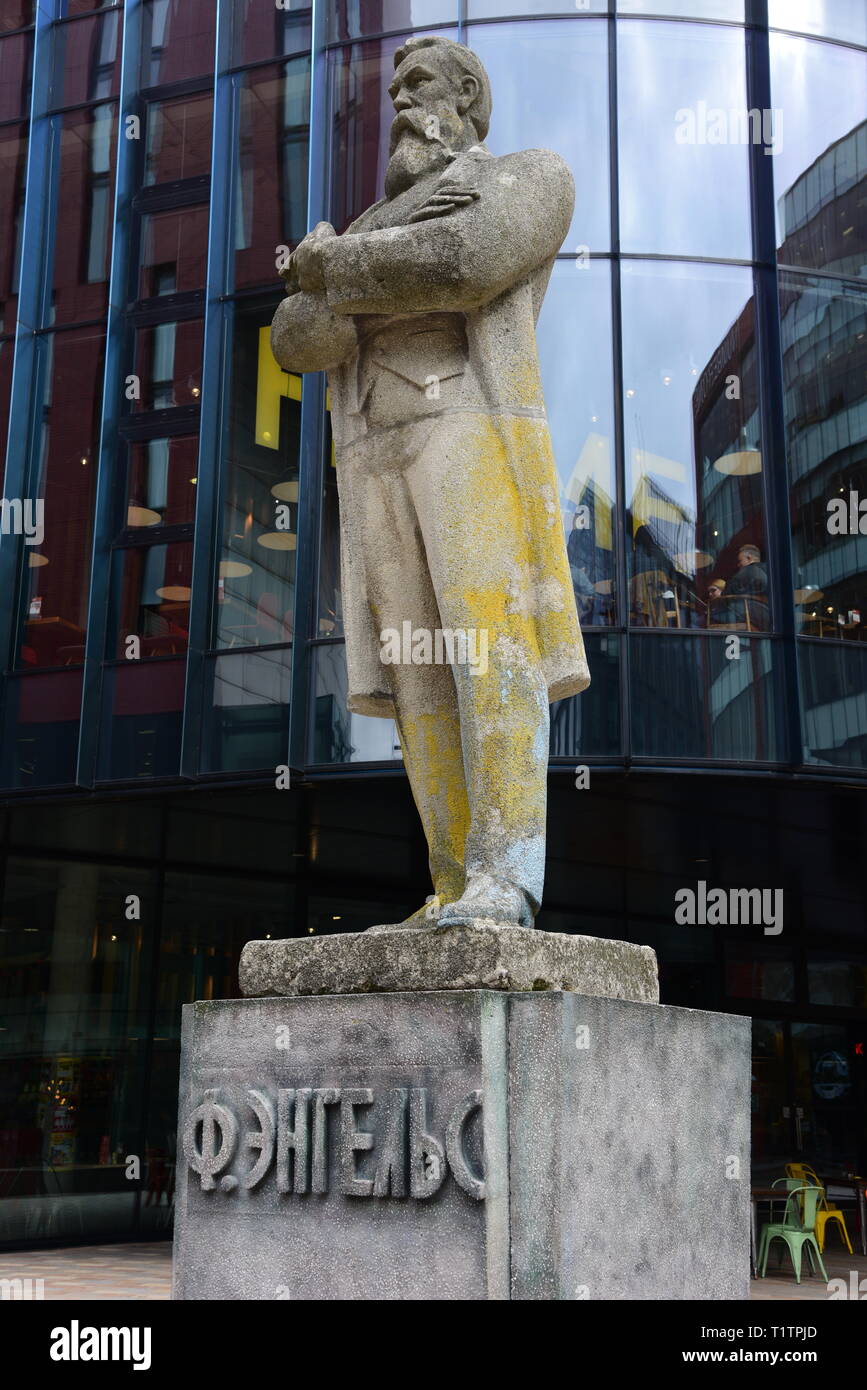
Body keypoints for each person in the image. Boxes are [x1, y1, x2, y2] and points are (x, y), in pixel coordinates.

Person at [270, 36, 588, 930]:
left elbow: (469, 259)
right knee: (418, 676)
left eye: (422, 86)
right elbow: (298, 341)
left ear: (468, 97)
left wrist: (330, 268)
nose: (403, 102)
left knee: (490, 652)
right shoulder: (367, 224)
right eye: (396, 88)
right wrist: (343, 276)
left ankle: (507, 877)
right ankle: (454, 884)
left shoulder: (526, 177)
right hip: (372, 450)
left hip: (465, 429)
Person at [727, 545, 769, 630]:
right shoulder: (772, 571)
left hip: (747, 617)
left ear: (749, 558)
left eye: (740, 561)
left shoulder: (746, 572)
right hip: (769, 618)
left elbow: (727, 594)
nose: (738, 565)